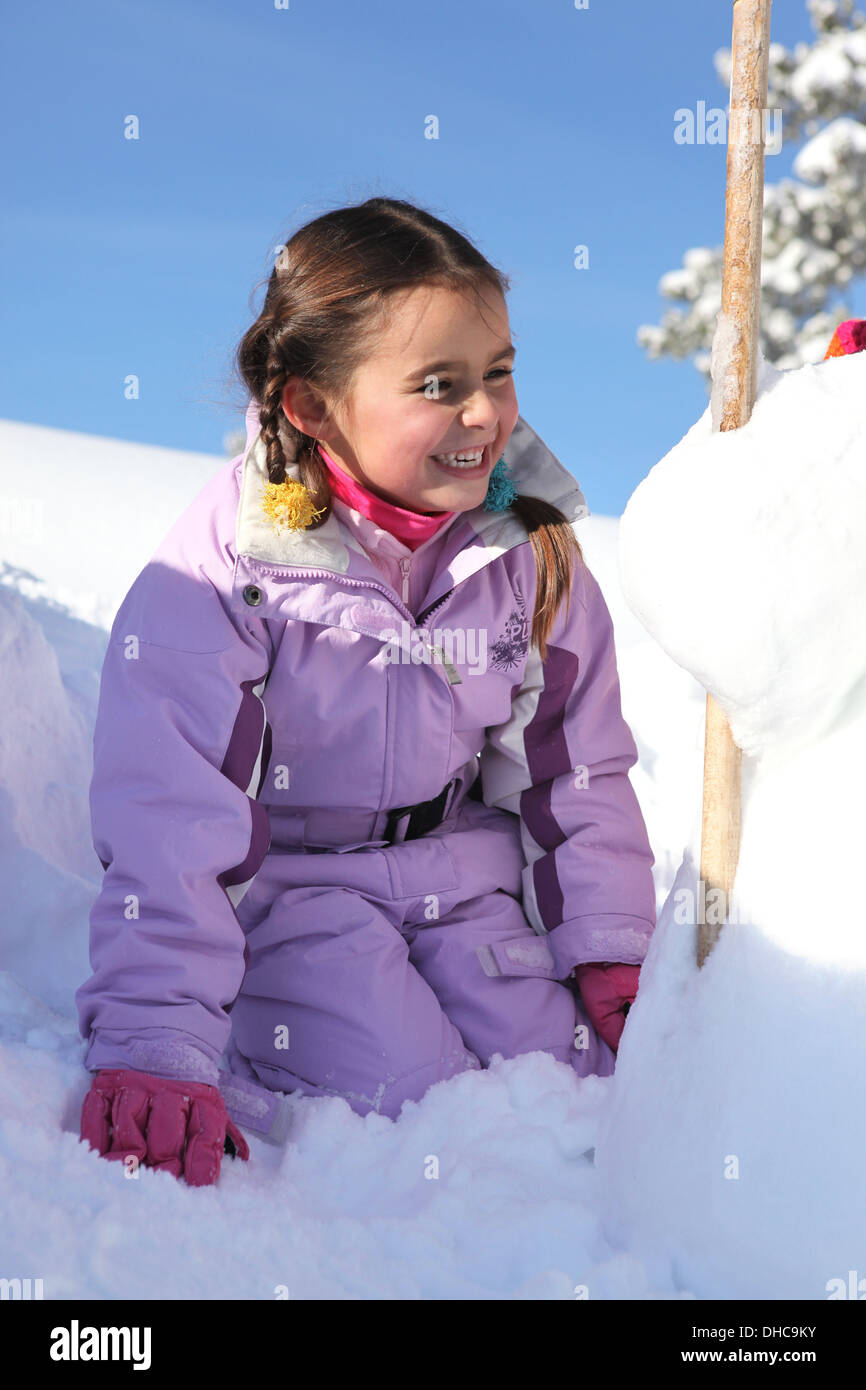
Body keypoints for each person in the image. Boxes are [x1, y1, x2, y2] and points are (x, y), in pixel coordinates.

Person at [76, 196, 657, 1187]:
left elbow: (576, 767)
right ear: (309, 405)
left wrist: (605, 943)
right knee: (418, 1107)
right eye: (439, 385)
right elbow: (171, 812)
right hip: (297, 893)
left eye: (498, 372)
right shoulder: (232, 568)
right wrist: (155, 1036)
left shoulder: (526, 548)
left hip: (458, 877)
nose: (484, 413)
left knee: (569, 1081)